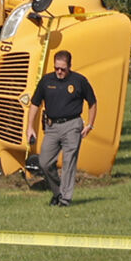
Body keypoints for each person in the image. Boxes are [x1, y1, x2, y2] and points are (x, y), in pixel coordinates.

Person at [26, 50, 97, 207]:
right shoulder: (46, 81)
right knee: (44, 162)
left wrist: (90, 125)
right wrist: (30, 127)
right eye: (57, 68)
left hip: (72, 125)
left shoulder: (79, 81)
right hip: (52, 127)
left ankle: (65, 199)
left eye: (63, 69)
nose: (59, 71)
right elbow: (35, 104)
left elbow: (92, 102)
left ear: (69, 66)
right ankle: (58, 192)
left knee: (68, 162)